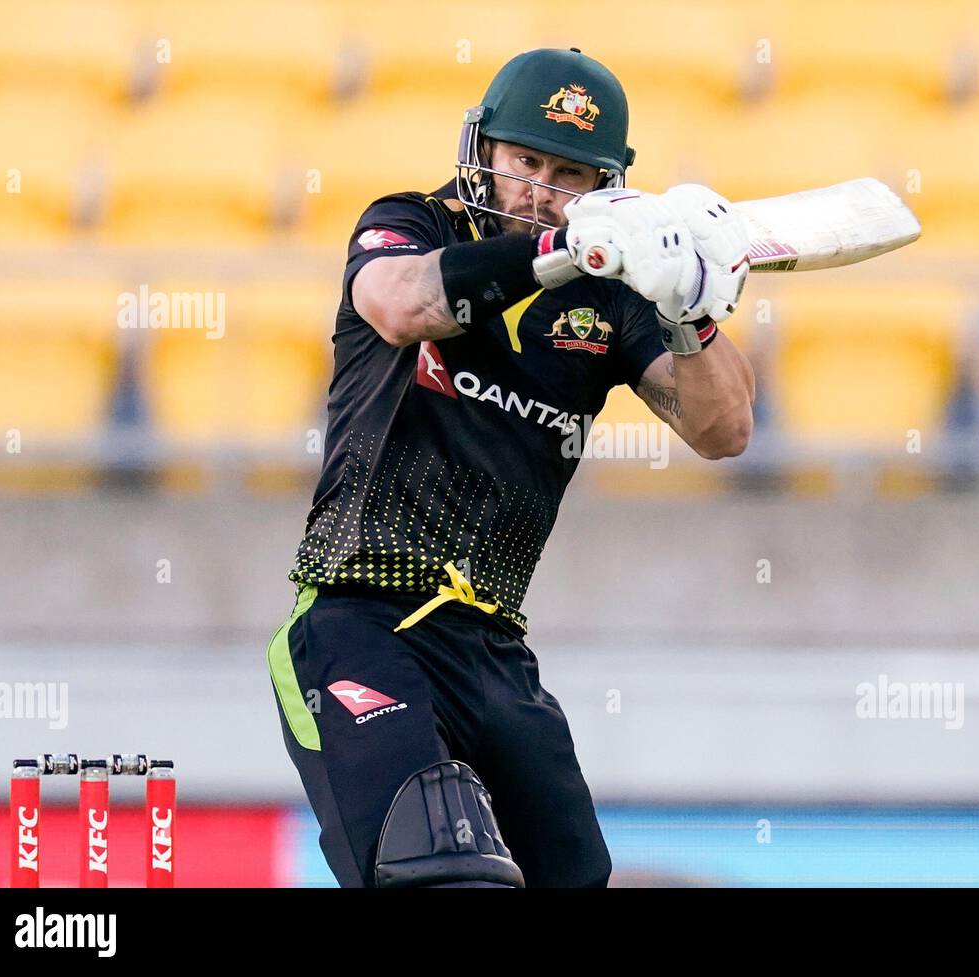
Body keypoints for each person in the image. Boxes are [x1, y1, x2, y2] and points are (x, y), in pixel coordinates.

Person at [266, 46, 755, 888]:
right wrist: (562, 252)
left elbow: (725, 429)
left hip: (494, 647)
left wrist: (691, 312)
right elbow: (399, 301)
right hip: (360, 621)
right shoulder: (412, 222)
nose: (540, 191)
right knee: (439, 874)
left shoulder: (612, 296)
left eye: (568, 174)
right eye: (525, 161)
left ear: (605, 185)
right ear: (483, 152)